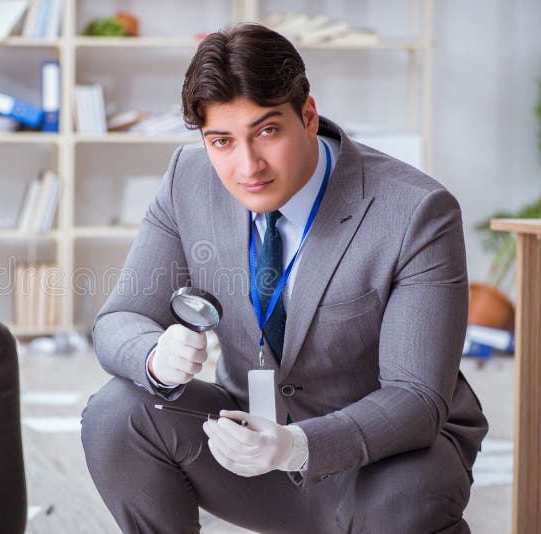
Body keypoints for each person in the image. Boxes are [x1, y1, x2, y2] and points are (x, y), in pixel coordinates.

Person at [81, 23, 487, 533]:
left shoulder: (416, 211)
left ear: (308, 116)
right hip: (252, 442)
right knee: (116, 414)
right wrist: (154, 357)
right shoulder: (188, 180)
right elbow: (119, 319)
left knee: (406, 499)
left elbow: (416, 399)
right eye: (222, 141)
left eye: (267, 132)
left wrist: (298, 445)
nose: (247, 166)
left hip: (383, 459)